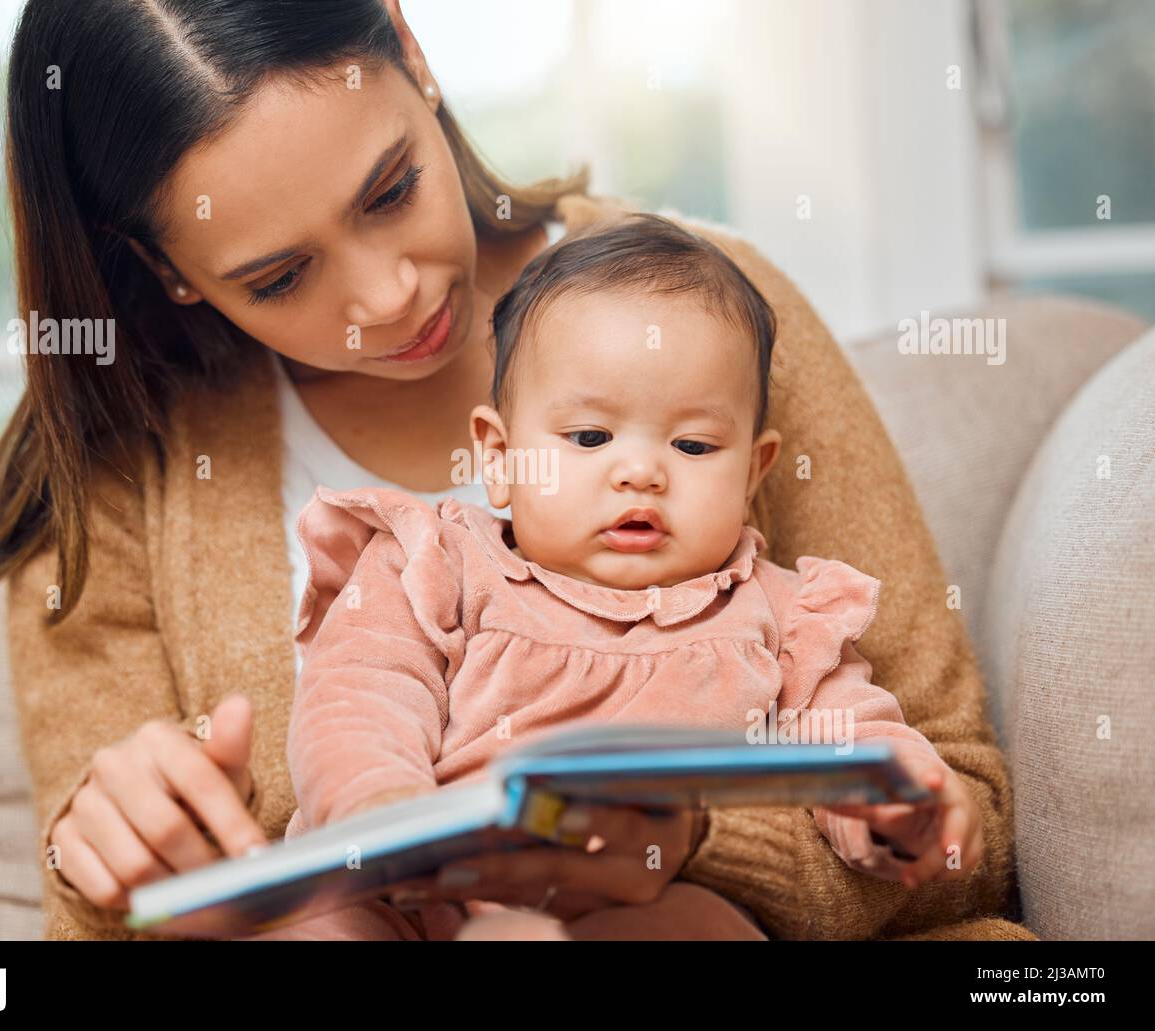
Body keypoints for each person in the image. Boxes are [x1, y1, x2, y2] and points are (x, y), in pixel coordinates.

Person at [0, 0, 1030, 940]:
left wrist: (695, 849)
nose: (388, 295)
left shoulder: (702, 317)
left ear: (411, 47)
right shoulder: (112, 470)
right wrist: (110, 871)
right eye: (281, 275)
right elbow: (100, 927)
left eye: (389, 189)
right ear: (167, 267)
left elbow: (960, 828)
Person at [245, 215, 981, 941]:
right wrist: (383, 807)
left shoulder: (785, 614)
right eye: (591, 437)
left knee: (700, 924)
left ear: (753, 472)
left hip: (640, 895)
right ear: (498, 457)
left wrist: (896, 806)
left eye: (693, 445)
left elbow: (850, 732)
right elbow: (358, 696)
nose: (640, 472)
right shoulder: (433, 562)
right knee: (316, 918)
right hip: (421, 883)